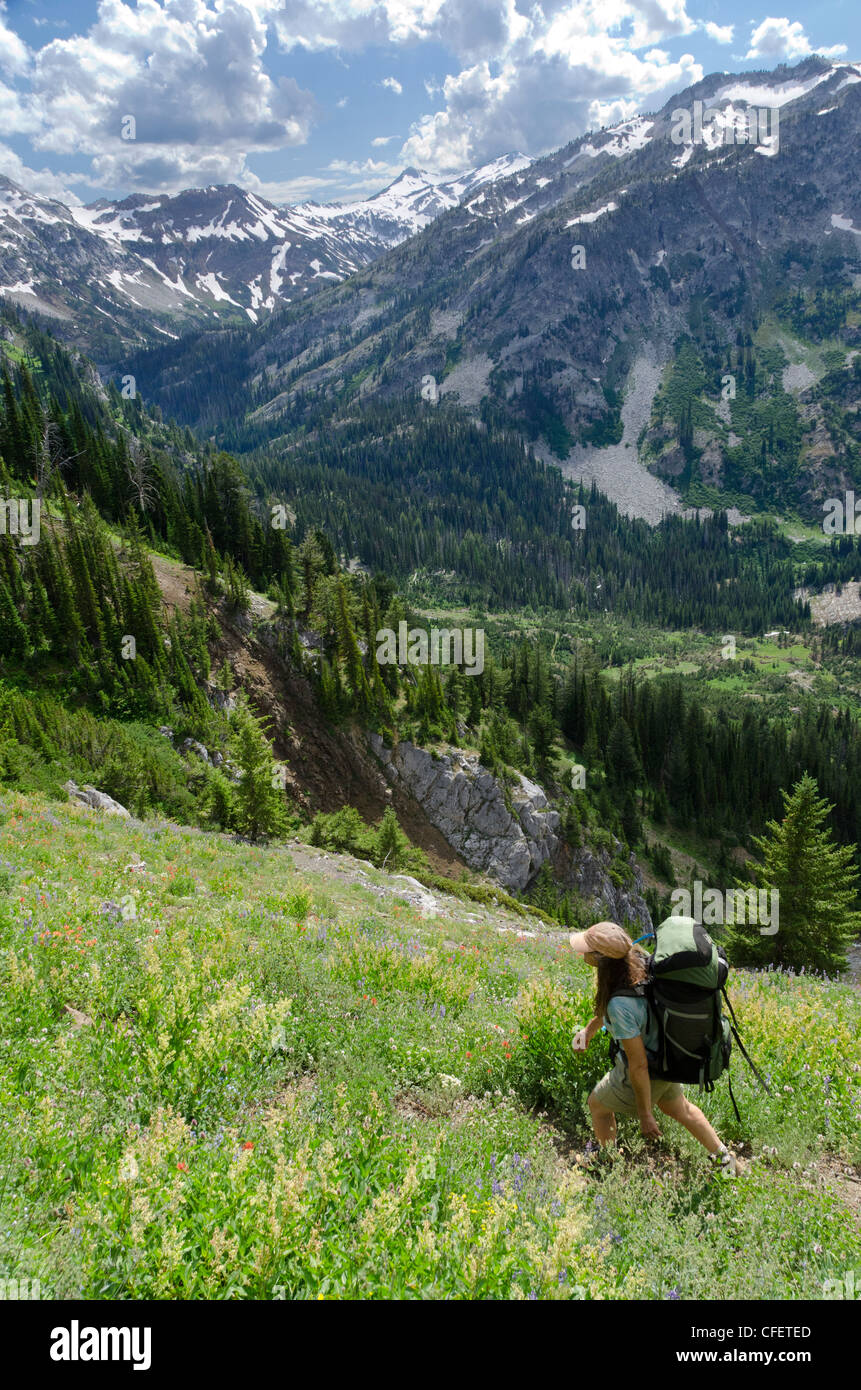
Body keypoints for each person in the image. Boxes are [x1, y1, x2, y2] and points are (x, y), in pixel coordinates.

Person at [570, 921, 736, 1177]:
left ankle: (607, 1164)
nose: (583, 953)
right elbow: (613, 1006)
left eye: (588, 950)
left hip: (648, 1071)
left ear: (601, 959)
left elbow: (638, 1065)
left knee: (598, 1106)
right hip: (668, 1058)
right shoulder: (638, 962)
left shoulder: (620, 1005)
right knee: (681, 1110)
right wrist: (588, 1032)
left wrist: (645, 1113)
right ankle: (727, 1163)